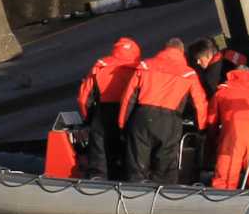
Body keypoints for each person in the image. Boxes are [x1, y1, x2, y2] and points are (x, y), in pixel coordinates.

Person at [118, 37, 210, 184]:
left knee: (137, 168)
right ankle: (163, 200)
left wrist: (122, 123)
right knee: (165, 170)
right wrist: (202, 127)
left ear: (164, 49)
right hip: (169, 122)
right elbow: (200, 102)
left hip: (142, 117)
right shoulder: (188, 74)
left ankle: (133, 198)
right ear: (182, 52)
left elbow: (128, 98)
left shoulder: (145, 66)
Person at [76, 36, 141, 179]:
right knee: (127, 158)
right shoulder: (140, 68)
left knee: (99, 161)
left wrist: (87, 119)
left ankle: (97, 189)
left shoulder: (100, 66)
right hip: (130, 116)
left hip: (103, 114)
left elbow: (83, 98)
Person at [210, 65, 249, 190]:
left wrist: (212, 141)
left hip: (231, 139)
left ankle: (221, 206)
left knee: (224, 183)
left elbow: (212, 121)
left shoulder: (222, 92)